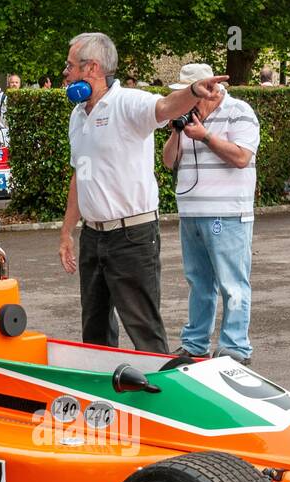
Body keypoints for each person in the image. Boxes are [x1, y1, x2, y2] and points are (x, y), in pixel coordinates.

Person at [58, 32, 227, 353]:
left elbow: (164, 107)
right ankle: (104, 398)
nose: (65, 74)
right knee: (94, 330)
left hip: (132, 236)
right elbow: (80, 175)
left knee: (143, 329)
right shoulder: (77, 115)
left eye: (69, 67)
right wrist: (67, 232)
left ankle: (162, 400)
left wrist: (193, 91)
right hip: (93, 237)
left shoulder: (128, 102)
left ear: (91, 68)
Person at [159, 63, 260, 363]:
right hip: (191, 212)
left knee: (232, 282)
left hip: (226, 212)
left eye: (190, 95)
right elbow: (168, 162)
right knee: (198, 282)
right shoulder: (188, 120)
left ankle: (235, 346)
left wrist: (204, 136)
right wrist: (178, 133)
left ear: (211, 91)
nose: (185, 101)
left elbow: (241, 157)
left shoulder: (239, 111)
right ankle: (195, 342)